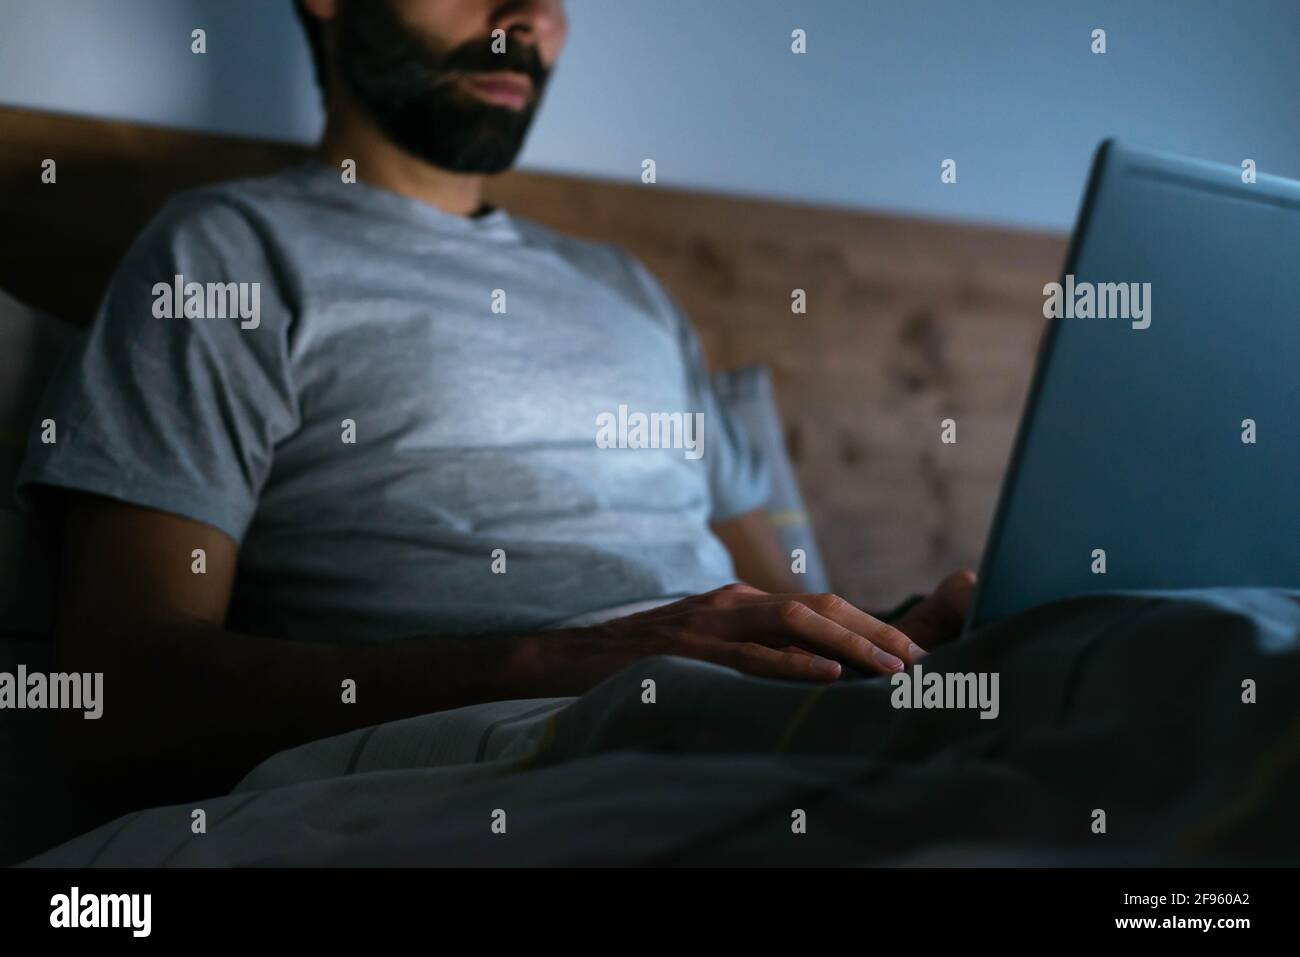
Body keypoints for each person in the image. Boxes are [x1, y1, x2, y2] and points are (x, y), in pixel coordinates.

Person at [17, 0, 973, 802]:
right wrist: (559, 659)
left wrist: (895, 635)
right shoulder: (227, 254)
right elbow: (115, 698)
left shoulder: (627, 289)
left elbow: (777, 606)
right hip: (533, 745)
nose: (528, 19)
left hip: (752, 713)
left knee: (1046, 668)